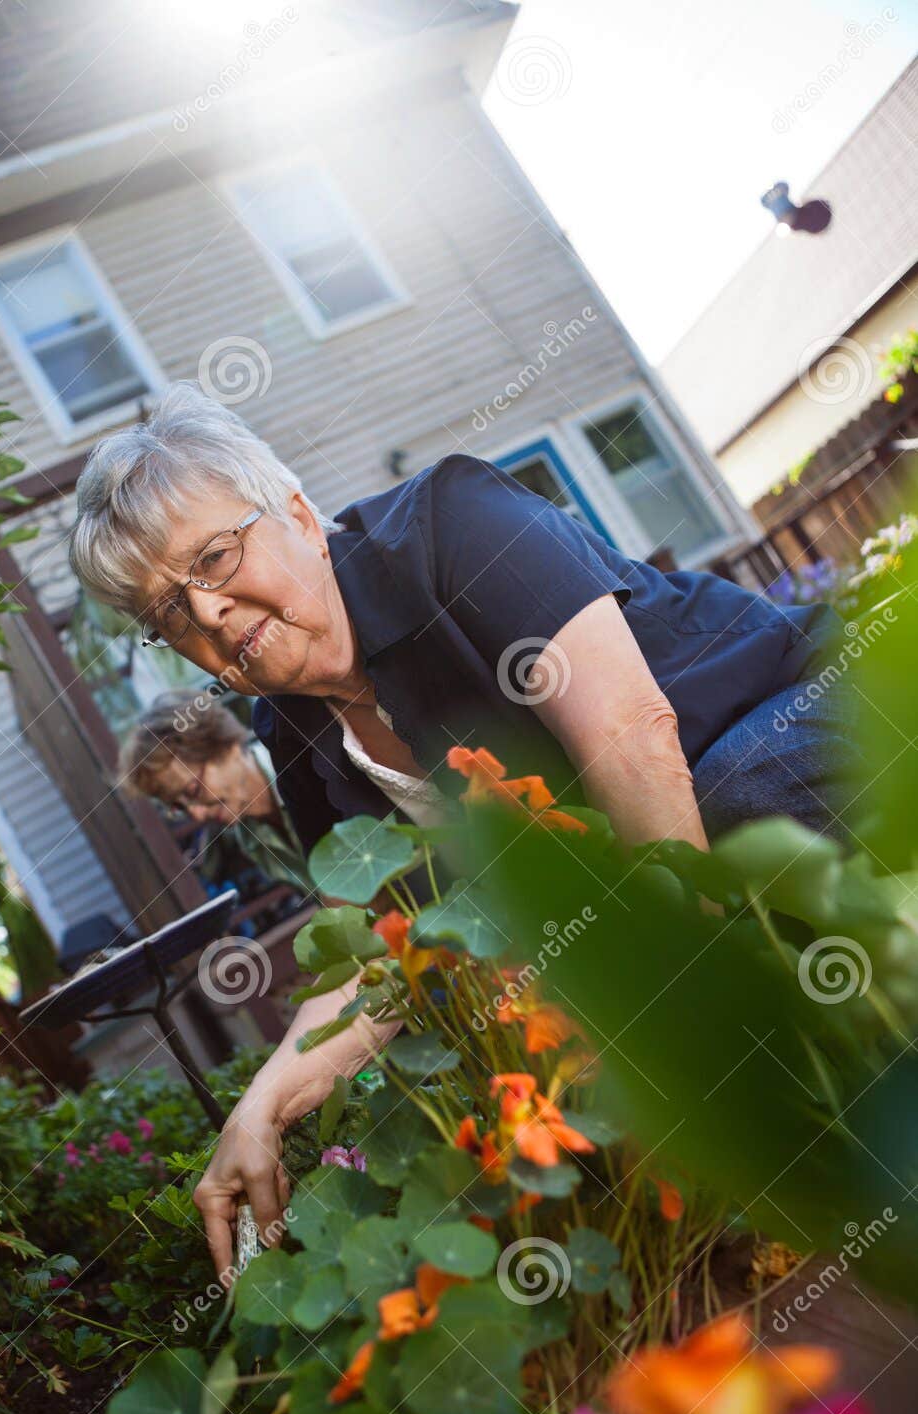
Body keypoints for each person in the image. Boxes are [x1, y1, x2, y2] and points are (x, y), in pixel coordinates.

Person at [68, 382, 851, 1270]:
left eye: (211, 558)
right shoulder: (286, 731)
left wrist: (675, 1023)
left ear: (296, 512)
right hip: (643, 886)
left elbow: (634, 742)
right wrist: (266, 1098)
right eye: (167, 613)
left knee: (727, 805)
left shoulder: (452, 523)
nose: (204, 613)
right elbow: (380, 949)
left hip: (793, 723)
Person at [116, 693, 312, 895]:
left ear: (226, 746)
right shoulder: (251, 840)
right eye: (179, 806)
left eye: (193, 790)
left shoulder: (310, 775)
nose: (197, 815)